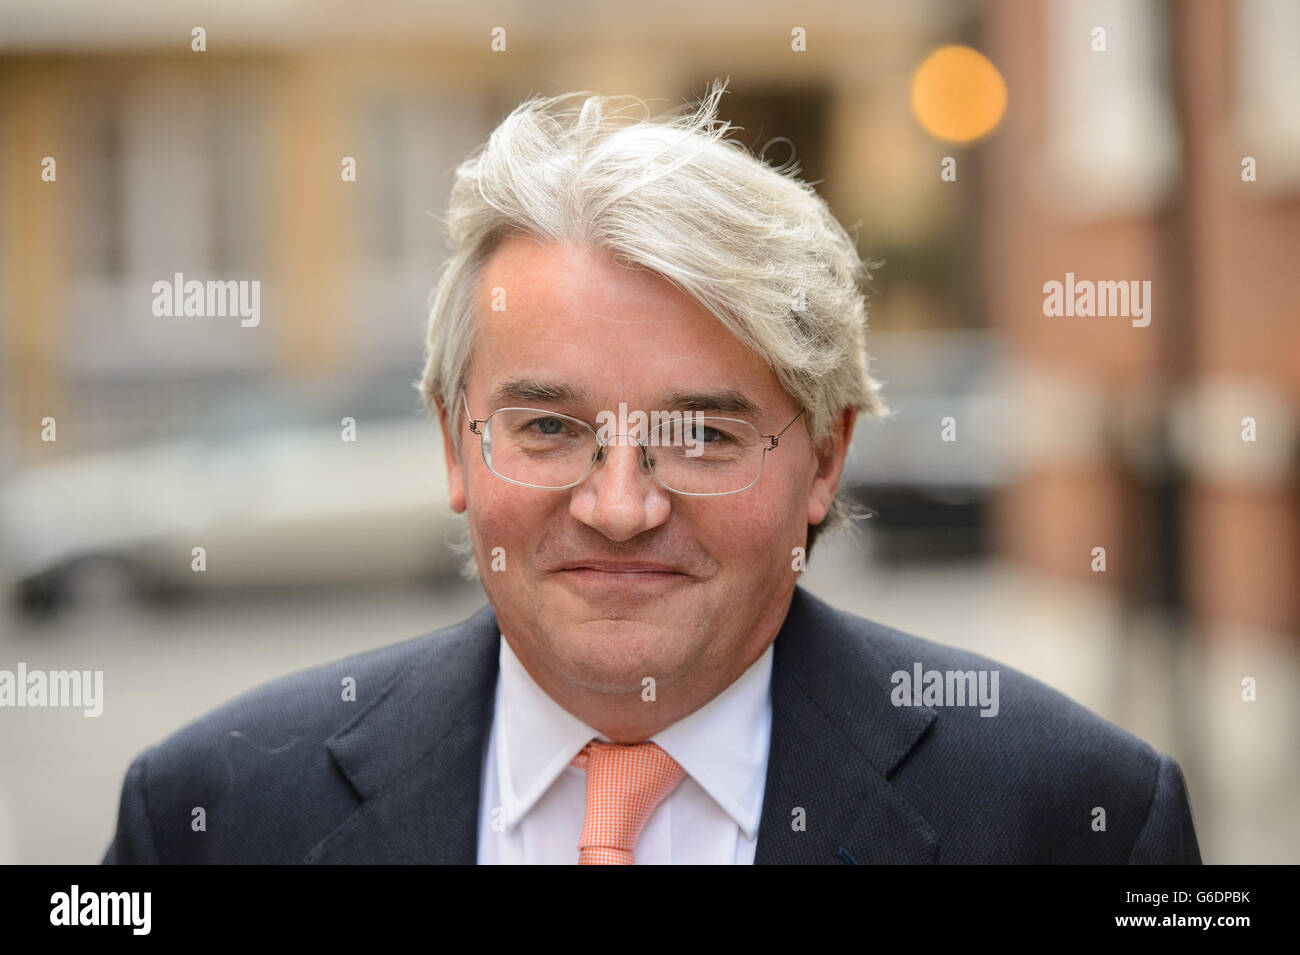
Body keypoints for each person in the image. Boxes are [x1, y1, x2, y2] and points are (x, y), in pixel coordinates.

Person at [103, 80, 1200, 865]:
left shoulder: (1073, 816)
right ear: (452, 444)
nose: (620, 507)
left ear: (824, 459)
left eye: (704, 438)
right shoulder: (214, 811)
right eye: (546, 428)